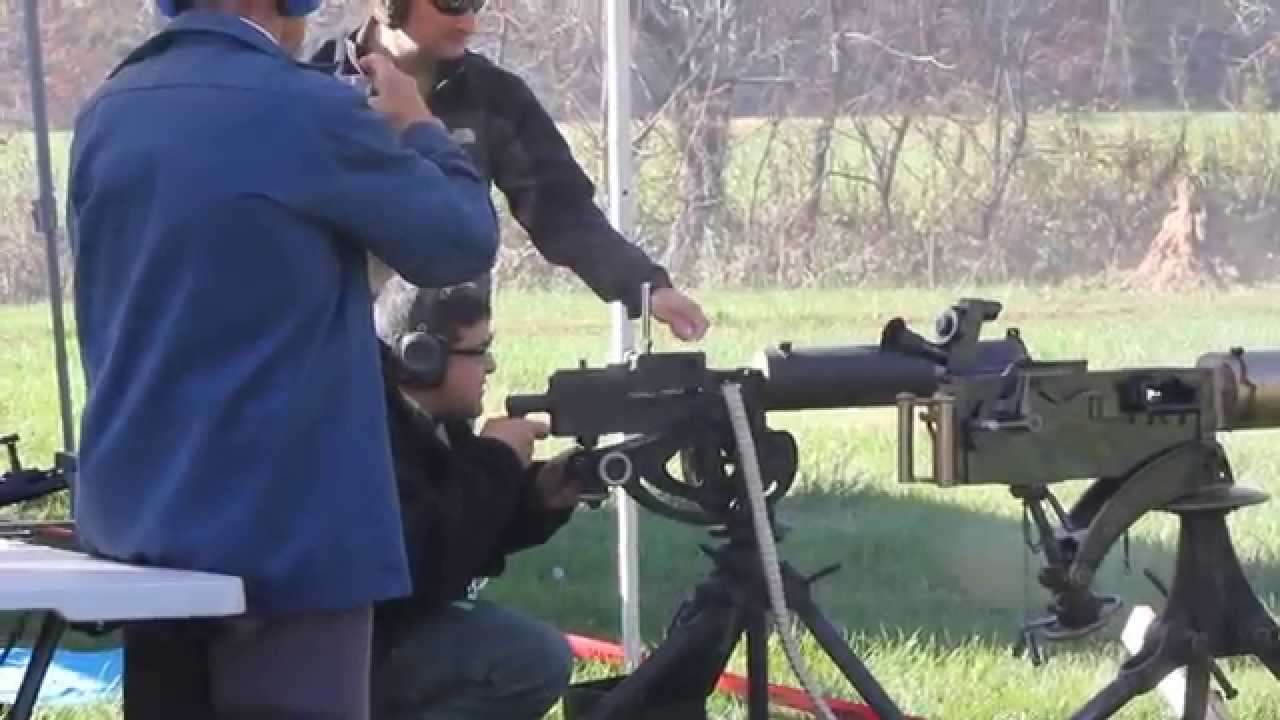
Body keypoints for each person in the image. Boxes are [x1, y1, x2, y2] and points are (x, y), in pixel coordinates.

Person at [66, 0, 499, 716]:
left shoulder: (106, 113)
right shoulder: (305, 109)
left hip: (141, 529)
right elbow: (457, 239)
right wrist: (417, 127)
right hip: (284, 535)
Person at [312, 0, 711, 342]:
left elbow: (561, 210)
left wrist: (645, 287)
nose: (469, 22)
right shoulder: (310, 93)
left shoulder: (495, 98)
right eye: (451, 1)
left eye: (477, 2)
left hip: (446, 366)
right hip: (333, 357)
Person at [370, 277, 582, 719]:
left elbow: (466, 529)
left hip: (395, 624)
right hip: (367, 641)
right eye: (479, 350)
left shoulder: (437, 425)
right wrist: (497, 460)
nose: (490, 365)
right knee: (532, 659)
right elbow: (427, 559)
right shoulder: (376, 434)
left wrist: (537, 501)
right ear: (420, 358)